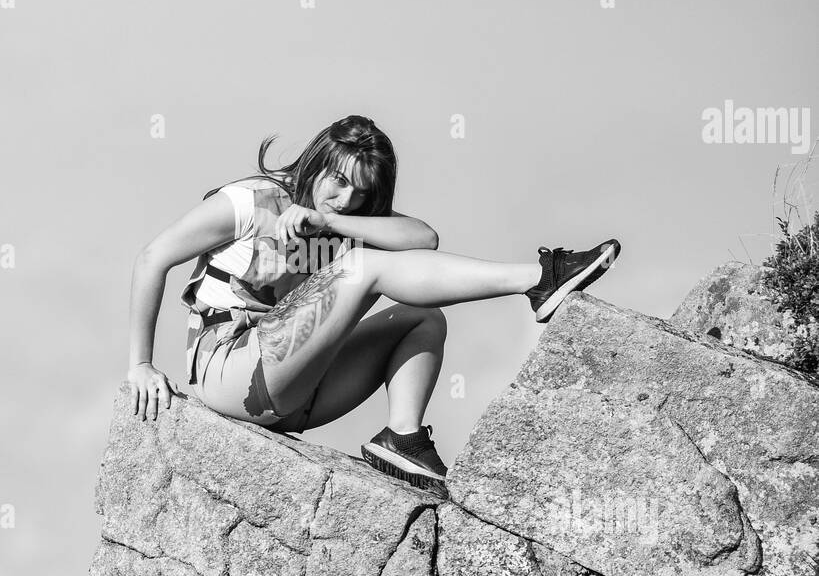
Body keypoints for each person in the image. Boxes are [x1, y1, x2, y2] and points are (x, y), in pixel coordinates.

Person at [126, 114, 620, 497]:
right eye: (336, 182)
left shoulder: (343, 223)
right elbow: (152, 258)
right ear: (316, 162)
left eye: (361, 194)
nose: (343, 199)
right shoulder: (250, 201)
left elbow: (422, 237)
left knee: (422, 318)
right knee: (364, 268)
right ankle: (540, 280)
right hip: (232, 369)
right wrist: (141, 365)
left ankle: (401, 439)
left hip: (301, 397)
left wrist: (331, 224)